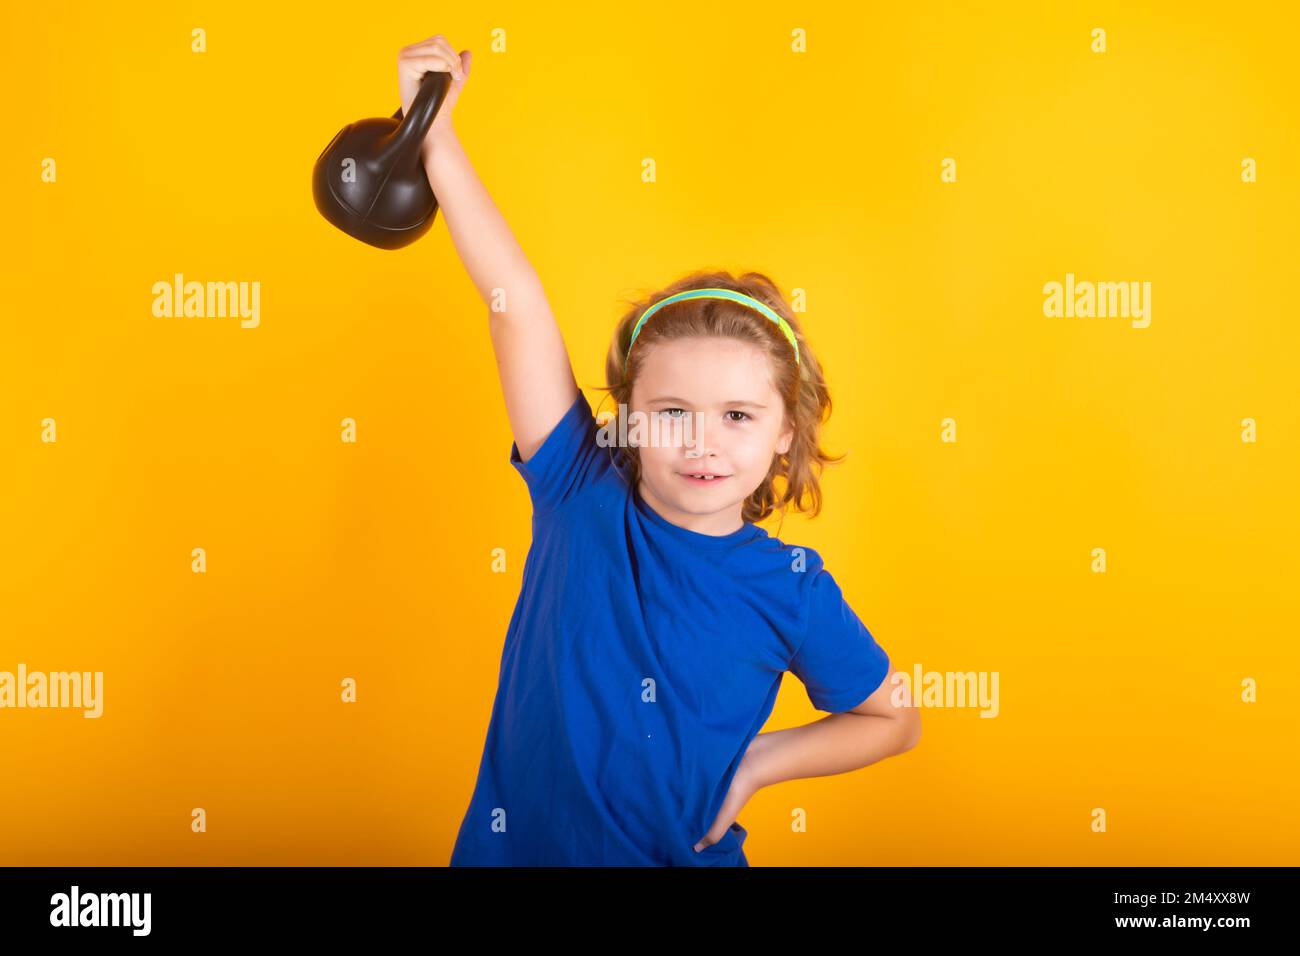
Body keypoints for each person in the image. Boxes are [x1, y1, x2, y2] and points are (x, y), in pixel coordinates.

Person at [395, 35, 922, 866]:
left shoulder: (792, 590)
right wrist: (436, 134)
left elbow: (895, 719)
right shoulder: (577, 488)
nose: (702, 441)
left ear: (786, 434)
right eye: (672, 411)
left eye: (739, 417)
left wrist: (759, 761)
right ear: (627, 417)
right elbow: (515, 306)